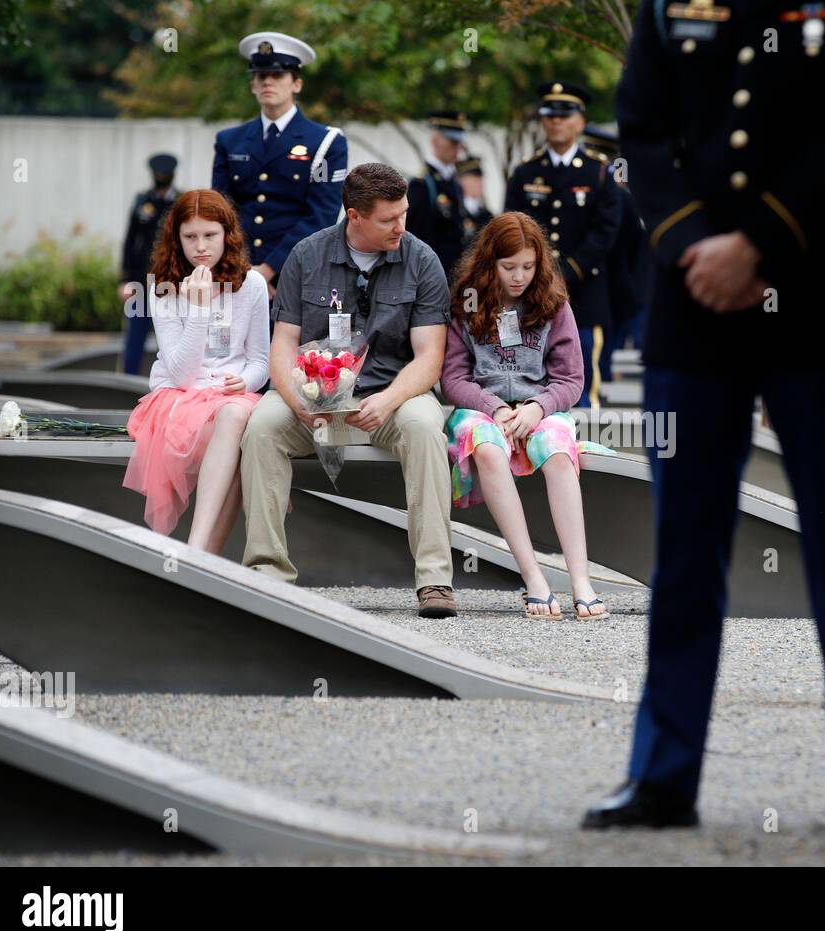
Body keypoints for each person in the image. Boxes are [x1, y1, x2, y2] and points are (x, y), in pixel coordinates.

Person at [582, 1, 825, 835]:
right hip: (693, 297)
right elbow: (642, 125)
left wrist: (757, 242)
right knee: (685, 545)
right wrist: (693, 242)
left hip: (815, 288)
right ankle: (662, 777)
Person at [239, 163, 457, 618]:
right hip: (311, 395)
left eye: (404, 214)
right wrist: (297, 403)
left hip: (394, 394)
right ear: (354, 215)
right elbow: (283, 343)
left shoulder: (422, 260)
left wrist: (391, 399)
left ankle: (434, 580)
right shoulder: (306, 255)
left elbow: (429, 357)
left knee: (424, 428)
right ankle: (266, 573)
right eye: (388, 219)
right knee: (261, 428)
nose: (401, 226)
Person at [442, 211, 610, 621]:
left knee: (555, 450)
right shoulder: (468, 301)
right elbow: (452, 379)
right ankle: (533, 576)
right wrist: (494, 407)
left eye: (528, 267)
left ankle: (580, 581)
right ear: (489, 263)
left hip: (541, 407)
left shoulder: (553, 303)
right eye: (508, 267)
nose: (519, 277)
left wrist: (537, 408)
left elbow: (572, 379)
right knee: (487, 449)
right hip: (482, 410)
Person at [122, 190, 270, 552]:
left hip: (231, 398)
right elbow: (181, 374)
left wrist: (245, 380)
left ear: (227, 235)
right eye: (190, 237)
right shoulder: (162, 285)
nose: (200, 247)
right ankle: (202, 551)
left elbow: (260, 363)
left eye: (210, 236)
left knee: (240, 425)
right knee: (239, 433)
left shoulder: (250, 284)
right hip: (179, 400)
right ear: (177, 238)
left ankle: (200, 554)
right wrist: (199, 309)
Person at [505, 81, 622, 409]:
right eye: (550, 115)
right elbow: (512, 230)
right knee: (530, 380)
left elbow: (605, 232)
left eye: (565, 114)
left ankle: (586, 452)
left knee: (582, 378)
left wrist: (565, 273)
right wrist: (535, 274)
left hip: (584, 294)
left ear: (580, 121)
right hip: (530, 294)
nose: (556, 121)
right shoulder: (526, 171)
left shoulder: (599, 172)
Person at [212, 31, 347, 297]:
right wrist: (242, 268)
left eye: (277, 75)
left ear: (297, 83)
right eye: (261, 76)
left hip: (297, 275)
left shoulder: (325, 142)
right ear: (252, 85)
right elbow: (220, 212)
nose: (267, 82)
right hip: (238, 273)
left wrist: (269, 269)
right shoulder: (229, 141)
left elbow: (321, 216)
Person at [581, 124, 650, 378]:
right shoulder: (621, 196)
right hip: (612, 291)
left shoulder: (619, 197)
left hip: (612, 291)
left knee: (597, 363)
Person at [119, 153, 179, 375]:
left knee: (173, 335)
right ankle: (128, 379)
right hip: (141, 281)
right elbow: (129, 241)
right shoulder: (142, 202)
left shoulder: (180, 201)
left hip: (172, 282)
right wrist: (124, 279)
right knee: (135, 336)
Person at [406, 111, 469, 278]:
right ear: (435, 140)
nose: (457, 147)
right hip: (429, 278)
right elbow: (414, 238)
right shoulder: (422, 185)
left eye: (459, 142)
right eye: (452, 141)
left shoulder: (454, 184)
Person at [457, 157, 494, 248]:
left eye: (481, 179)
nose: (480, 183)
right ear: (462, 182)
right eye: (475, 180)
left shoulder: (487, 214)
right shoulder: (455, 213)